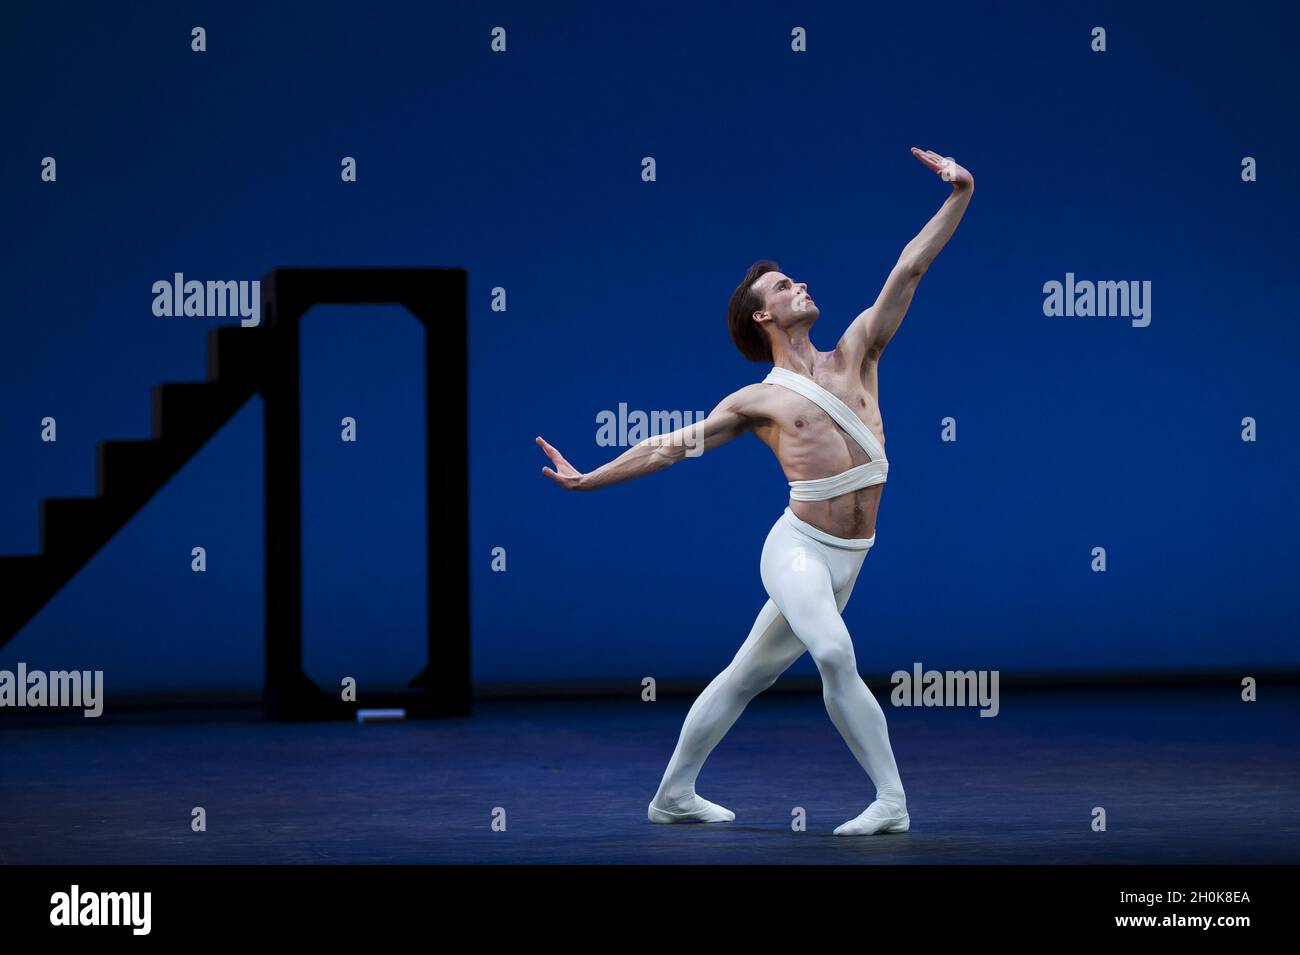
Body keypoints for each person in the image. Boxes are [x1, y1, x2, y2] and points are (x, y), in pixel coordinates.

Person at [537, 147, 973, 835]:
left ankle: (672, 794)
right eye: (780, 287)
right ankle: (892, 800)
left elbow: (909, 267)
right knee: (833, 652)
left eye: (794, 278)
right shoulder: (755, 399)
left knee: (747, 674)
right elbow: (668, 444)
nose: (797, 284)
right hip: (796, 548)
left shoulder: (859, 349)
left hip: (850, 557)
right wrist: (590, 478)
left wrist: (959, 194)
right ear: (762, 317)